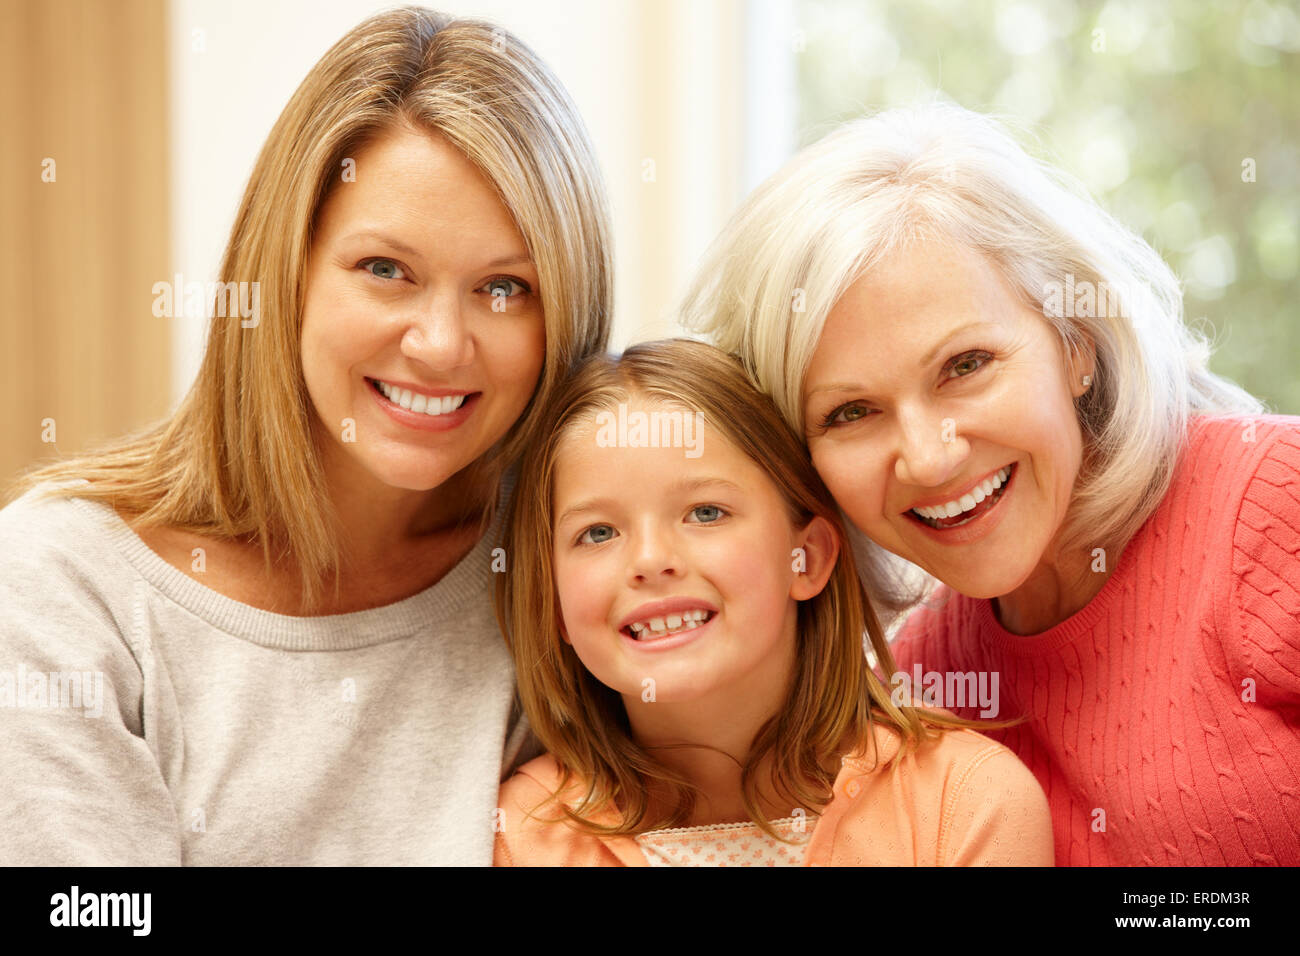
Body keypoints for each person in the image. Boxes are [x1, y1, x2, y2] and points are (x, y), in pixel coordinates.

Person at [0, 7, 611, 865]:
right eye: (385, 270)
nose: (441, 343)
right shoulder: (62, 583)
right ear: (283, 271)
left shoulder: (571, 573)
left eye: (505, 288)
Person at [680, 101, 1300, 866]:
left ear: (1076, 343)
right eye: (850, 412)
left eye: (965, 366)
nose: (930, 458)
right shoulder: (926, 680)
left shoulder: (1275, 502)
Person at [492, 339, 1053, 866]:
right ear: (552, 601)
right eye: (597, 533)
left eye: (706, 513)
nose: (649, 559)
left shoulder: (967, 800)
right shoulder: (521, 833)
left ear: (805, 559)